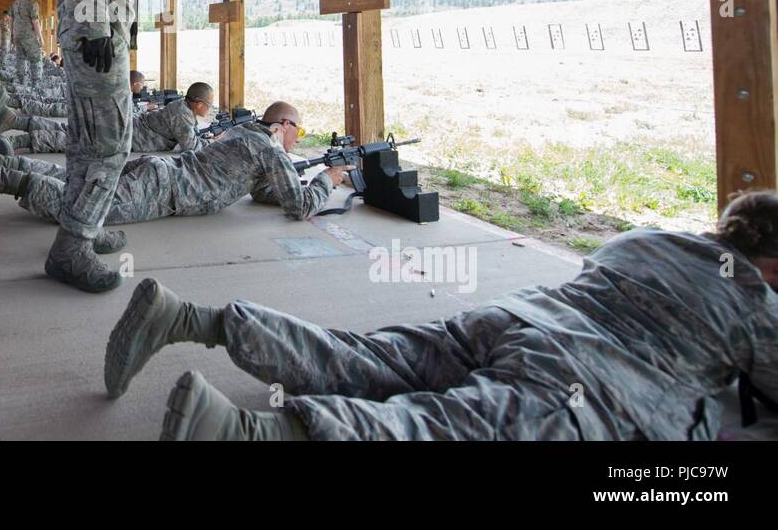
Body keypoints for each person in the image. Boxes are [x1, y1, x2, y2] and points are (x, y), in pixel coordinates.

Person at [100, 189, 778, 441]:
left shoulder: (643, 238)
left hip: (514, 319)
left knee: (364, 356)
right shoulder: (755, 299)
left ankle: (191, 316)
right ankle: (250, 431)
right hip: (589, 381)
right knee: (435, 425)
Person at [0, 100, 347, 232]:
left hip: (157, 170)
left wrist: (293, 177)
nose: (298, 138)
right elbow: (300, 207)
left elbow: (262, 191)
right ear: (284, 126)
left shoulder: (248, 136)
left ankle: (0, 160)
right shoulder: (272, 149)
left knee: (78, 181)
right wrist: (327, 180)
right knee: (87, 207)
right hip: (164, 189)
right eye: (299, 130)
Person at [45, 0, 157, 293]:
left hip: (103, 36)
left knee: (88, 138)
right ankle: (72, 248)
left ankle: (83, 228)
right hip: (97, 40)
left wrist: (121, 28)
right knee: (110, 141)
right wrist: (95, 30)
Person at [0, 81, 215, 155]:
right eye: (208, 104)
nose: (210, 108)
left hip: (127, 127)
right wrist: (214, 141)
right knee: (78, 140)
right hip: (128, 135)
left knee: (73, 133)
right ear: (197, 104)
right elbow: (191, 147)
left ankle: (15, 121)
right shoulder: (182, 116)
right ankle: (16, 141)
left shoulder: (180, 107)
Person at [8, 0, 44, 86]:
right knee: (36, 58)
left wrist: (12, 35)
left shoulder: (15, 4)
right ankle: (36, 86)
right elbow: (35, 21)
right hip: (29, 37)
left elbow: (11, 20)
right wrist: (41, 38)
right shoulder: (33, 4)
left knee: (20, 58)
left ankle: (21, 83)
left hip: (17, 36)